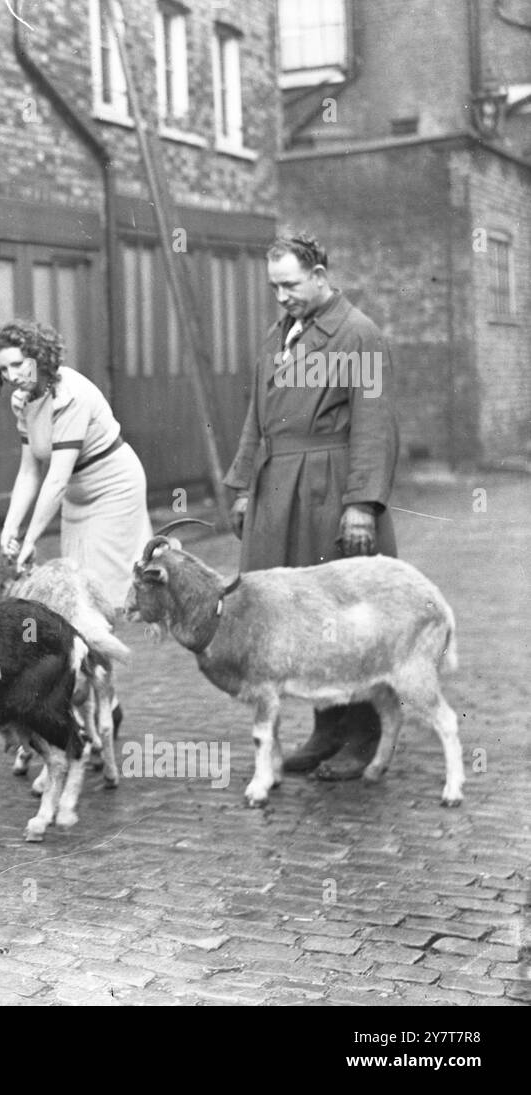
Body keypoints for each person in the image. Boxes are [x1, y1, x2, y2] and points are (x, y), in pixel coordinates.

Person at [224, 232, 399, 780]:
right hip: (280, 488)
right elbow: (257, 417)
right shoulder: (277, 336)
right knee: (299, 613)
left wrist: (362, 505)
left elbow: (374, 425)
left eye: (291, 284)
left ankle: (364, 734)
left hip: (330, 489)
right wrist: (245, 485)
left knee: (343, 614)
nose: (281, 297)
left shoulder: (358, 334)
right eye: (274, 287)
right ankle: (327, 728)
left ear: (320, 275)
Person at [0, 319, 152, 611]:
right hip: (76, 496)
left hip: (114, 489)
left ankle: (105, 652)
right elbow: (29, 471)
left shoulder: (71, 395)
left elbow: (56, 480)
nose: (11, 375)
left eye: (17, 364)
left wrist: (30, 540)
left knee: (103, 592)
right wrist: (10, 529)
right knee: (77, 588)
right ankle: (90, 654)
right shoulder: (23, 400)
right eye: (2, 369)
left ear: (38, 357)